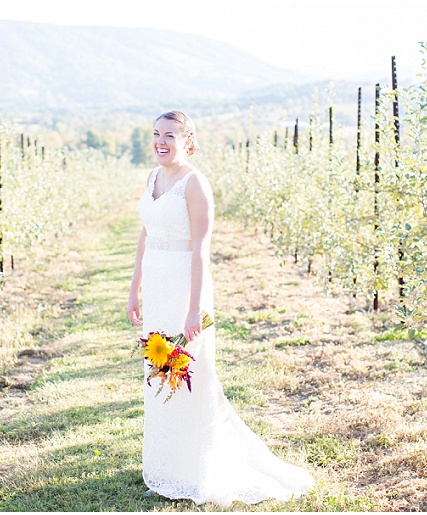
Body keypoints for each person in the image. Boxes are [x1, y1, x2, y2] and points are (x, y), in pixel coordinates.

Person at [128, 111, 314, 507]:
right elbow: (146, 238)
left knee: (189, 373)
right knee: (159, 373)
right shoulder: (153, 179)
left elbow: (200, 251)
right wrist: (134, 290)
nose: (161, 141)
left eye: (170, 136)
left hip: (185, 289)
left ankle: (196, 469)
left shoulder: (195, 184)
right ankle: (167, 466)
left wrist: (195, 309)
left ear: (188, 140)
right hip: (157, 289)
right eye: (156, 134)